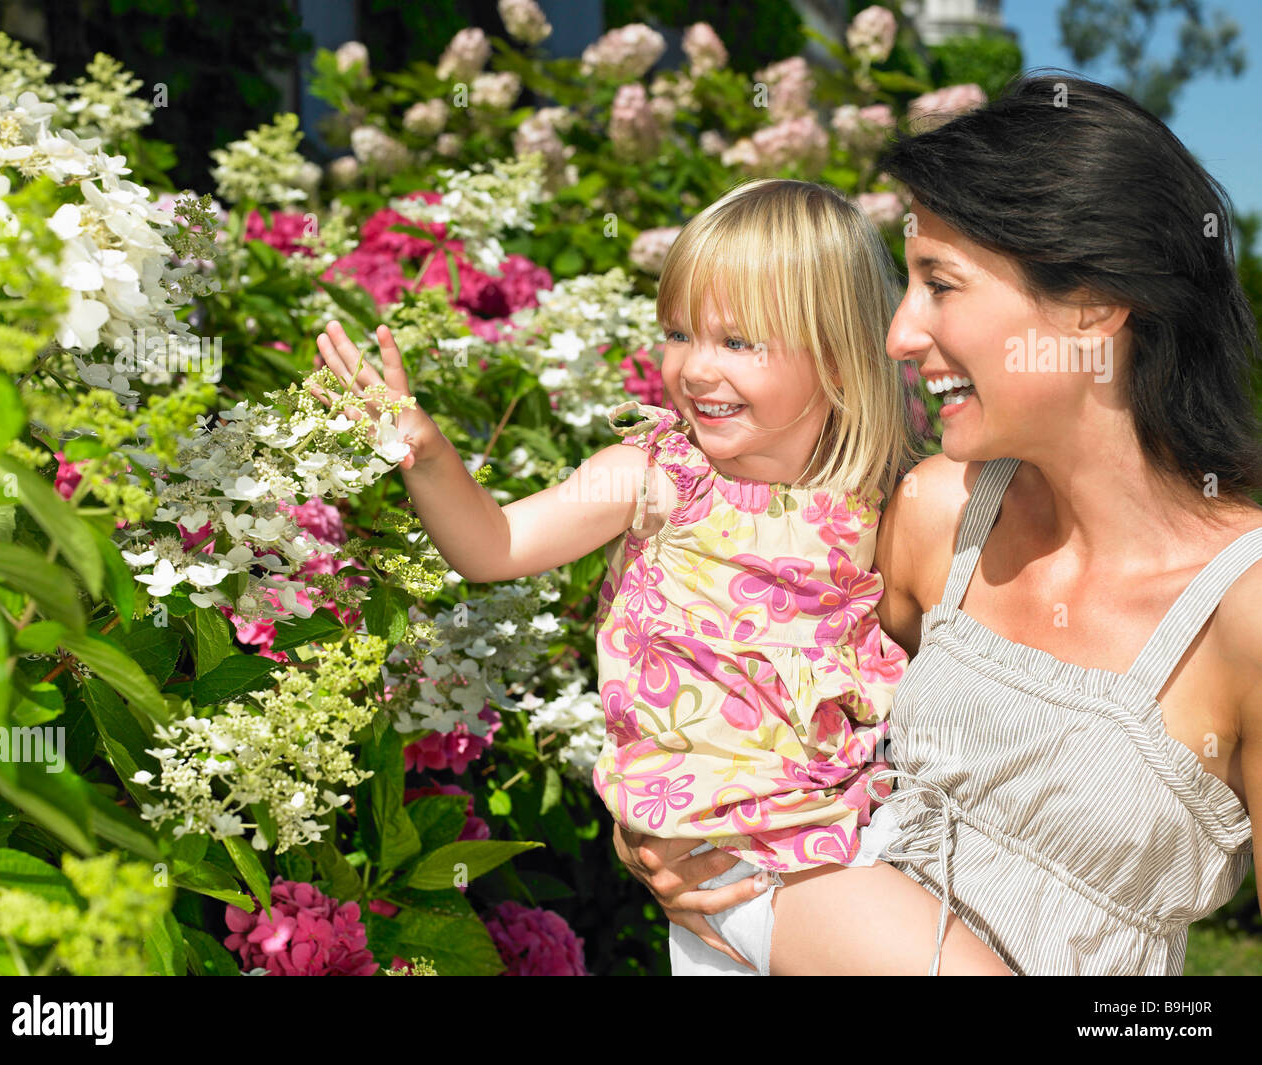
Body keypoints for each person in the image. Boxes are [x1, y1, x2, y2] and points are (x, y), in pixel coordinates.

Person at [615, 73, 1262, 976]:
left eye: (940, 284)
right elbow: (762, 701)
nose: (899, 334)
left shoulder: (1245, 608)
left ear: (1091, 305)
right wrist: (671, 826)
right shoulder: (936, 514)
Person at [309, 177, 1012, 976]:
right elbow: (494, 544)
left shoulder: (878, 503)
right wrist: (428, 454)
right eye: (679, 333)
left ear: (841, 360)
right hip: (737, 855)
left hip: (843, 828)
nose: (695, 368)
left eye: (739, 341)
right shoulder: (659, 477)